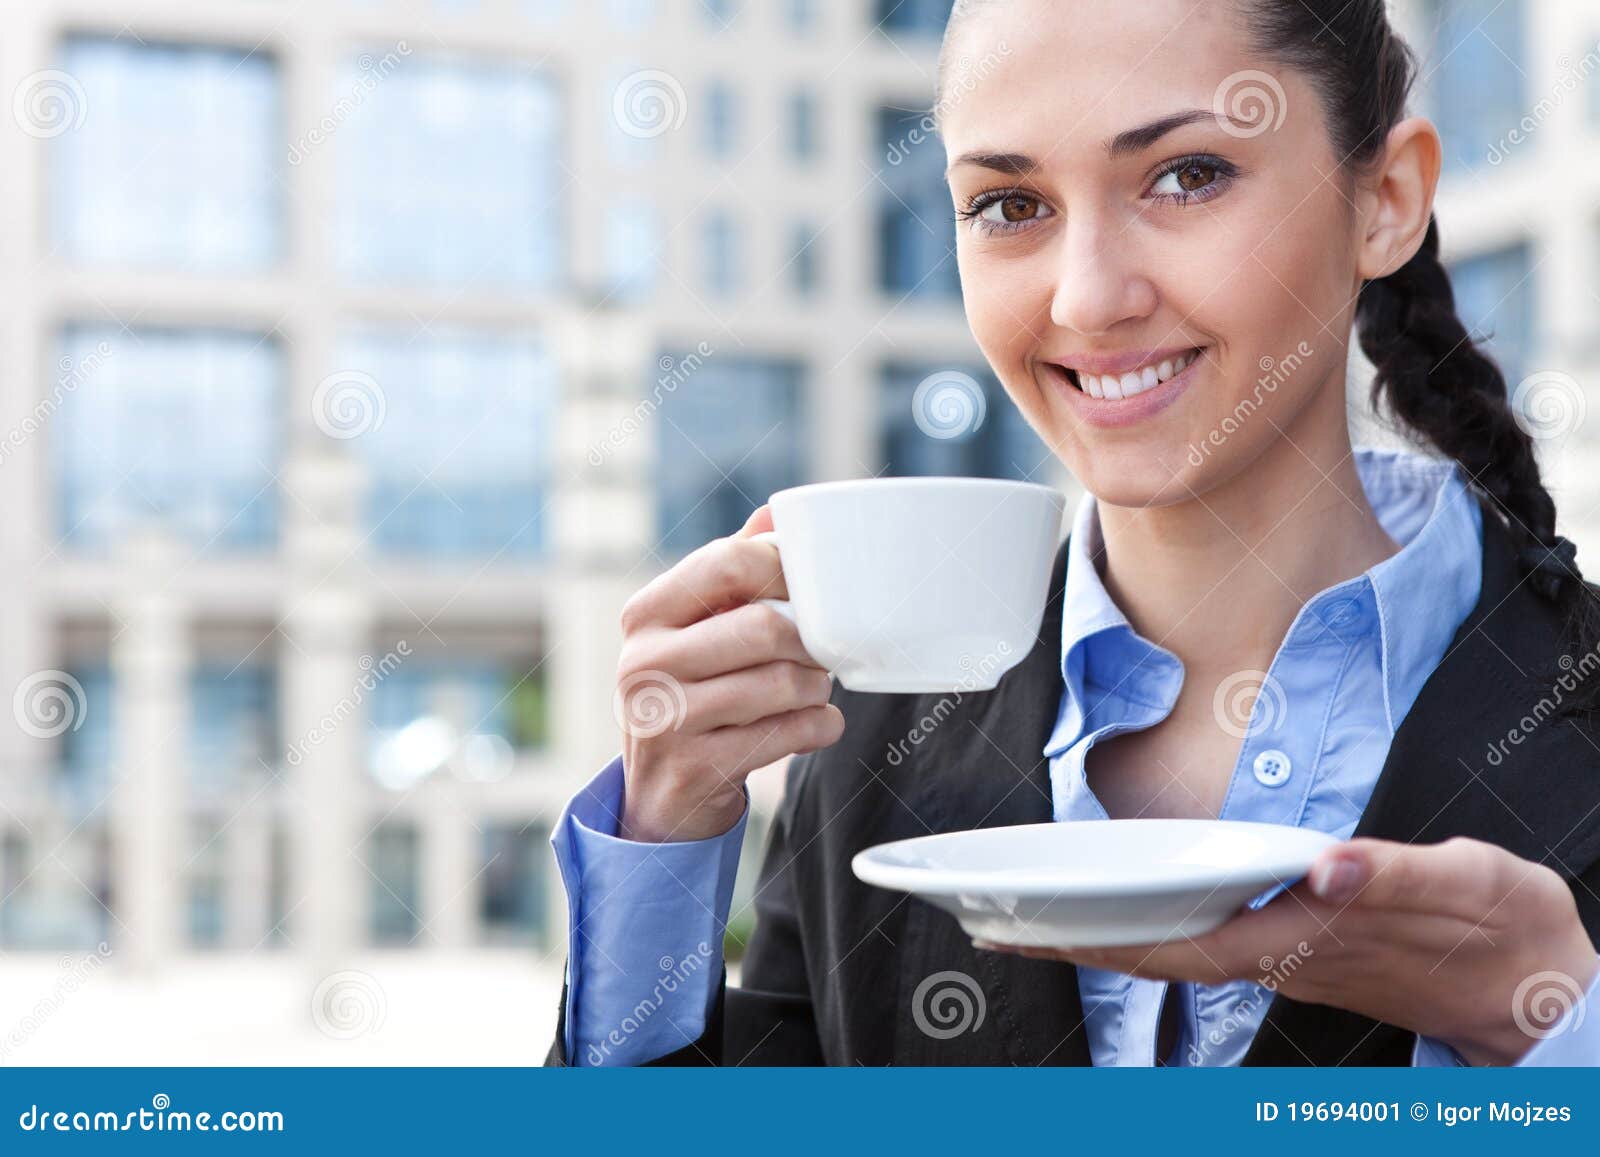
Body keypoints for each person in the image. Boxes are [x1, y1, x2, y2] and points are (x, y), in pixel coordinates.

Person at [545, 0, 1600, 1066]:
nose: (1089, 300)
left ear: (1386, 200)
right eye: (1009, 204)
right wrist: (662, 838)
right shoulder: (870, 740)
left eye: (1187, 176)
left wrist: (1554, 1024)